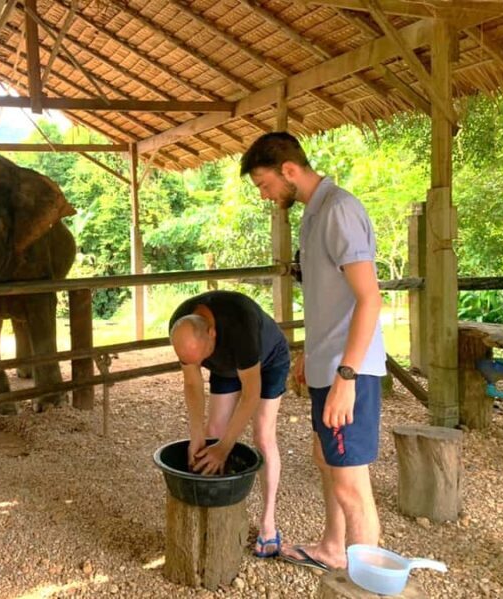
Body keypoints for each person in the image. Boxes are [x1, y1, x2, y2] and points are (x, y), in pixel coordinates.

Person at [240, 132, 386, 571]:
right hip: (330, 362)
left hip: (349, 371)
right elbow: (328, 297)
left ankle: (368, 580)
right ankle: (332, 548)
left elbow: (370, 298)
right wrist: (310, 352)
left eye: (265, 185)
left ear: (289, 170)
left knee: (350, 484)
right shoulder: (311, 213)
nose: (266, 196)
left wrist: (345, 377)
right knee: (326, 459)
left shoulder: (339, 209)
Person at [169, 290, 290, 558]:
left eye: (203, 357)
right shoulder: (182, 325)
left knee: (262, 438)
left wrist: (225, 447)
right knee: (212, 434)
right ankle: (215, 513)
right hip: (226, 366)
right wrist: (197, 434)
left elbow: (250, 394)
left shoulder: (239, 323)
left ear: (212, 333)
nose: (199, 364)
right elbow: (192, 382)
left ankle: (268, 522)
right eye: (196, 361)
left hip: (267, 362)